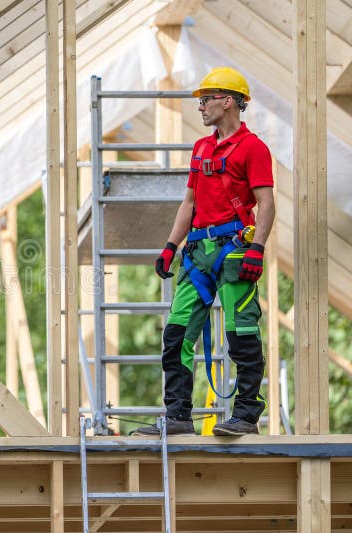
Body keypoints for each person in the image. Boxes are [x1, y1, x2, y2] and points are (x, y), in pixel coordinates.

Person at [133, 67, 275, 437]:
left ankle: (246, 416)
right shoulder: (201, 149)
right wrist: (170, 246)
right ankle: (178, 417)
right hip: (197, 251)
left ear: (228, 101)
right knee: (176, 334)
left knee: (241, 333)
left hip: (233, 252)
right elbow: (189, 203)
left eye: (206, 99)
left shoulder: (253, 148)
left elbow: (267, 202)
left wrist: (257, 248)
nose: (200, 107)